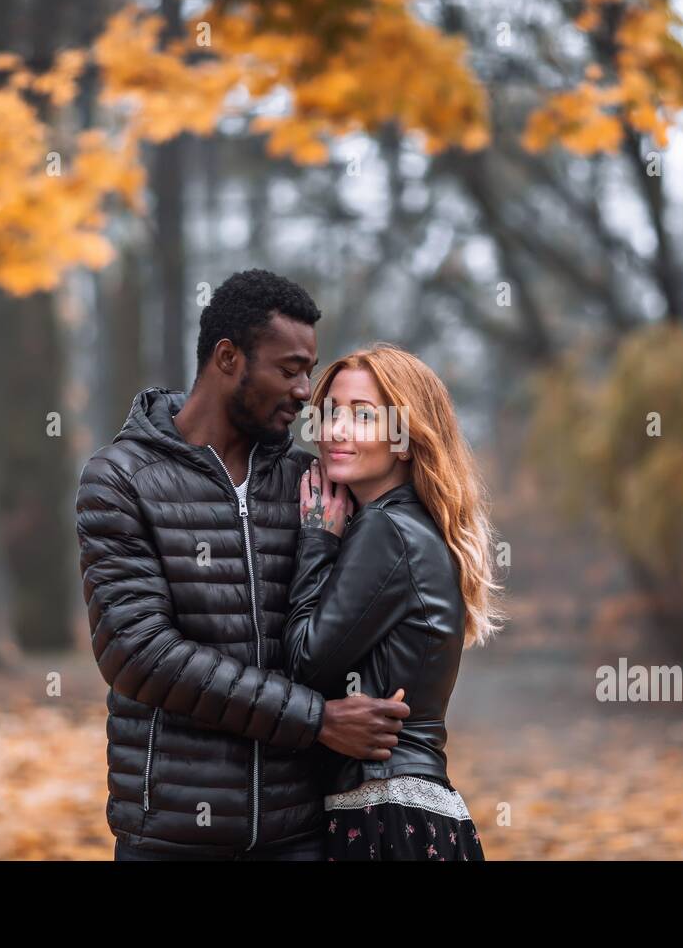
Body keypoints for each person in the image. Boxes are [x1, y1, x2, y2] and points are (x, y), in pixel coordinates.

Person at [75, 270, 411, 860]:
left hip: (301, 833)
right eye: (290, 369)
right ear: (228, 358)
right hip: (172, 836)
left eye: (309, 370)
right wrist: (316, 721)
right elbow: (139, 654)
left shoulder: (314, 484)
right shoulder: (120, 480)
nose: (306, 390)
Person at [283, 343, 503, 860]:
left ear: (405, 440)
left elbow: (302, 661)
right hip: (415, 815)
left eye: (362, 416)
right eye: (331, 412)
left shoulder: (386, 529)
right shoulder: (414, 526)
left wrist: (316, 539)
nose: (336, 430)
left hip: (384, 816)